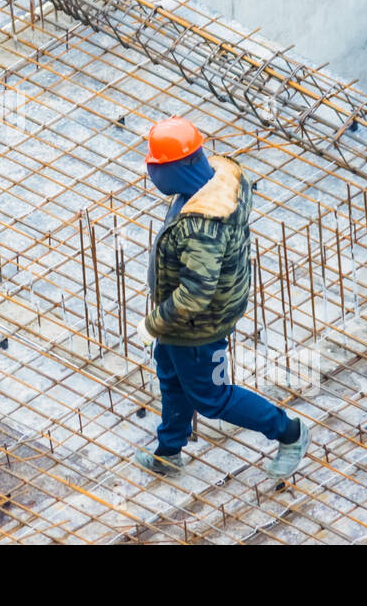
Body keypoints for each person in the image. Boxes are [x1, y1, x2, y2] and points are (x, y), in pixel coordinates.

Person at [133, 116, 311, 479]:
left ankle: (290, 433)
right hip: (180, 325)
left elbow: (195, 295)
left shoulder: (204, 227)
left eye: (154, 166)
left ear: (173, 169)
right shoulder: (210, 184)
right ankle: (169, 451)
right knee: (170, 375)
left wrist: (153, 324)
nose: (150, 173)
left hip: (199, 326)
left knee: (212, 398)